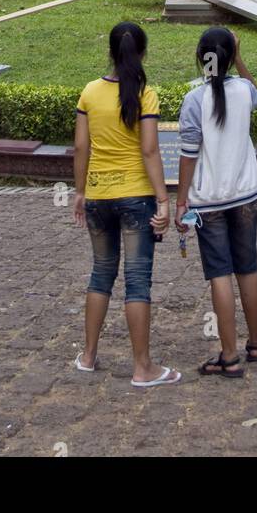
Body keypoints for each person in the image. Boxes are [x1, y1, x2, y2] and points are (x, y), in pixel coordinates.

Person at [73, 21, 180, 387]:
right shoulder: (145, 94)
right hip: (136, 197)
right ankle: (142, 367)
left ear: (110, 50)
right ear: (143, 51)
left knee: (101, 272)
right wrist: (163, 200)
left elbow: (81, 148)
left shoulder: (89, 92)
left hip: (98, 195)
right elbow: (149, 150)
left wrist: (79, 191)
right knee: (137, 280)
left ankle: (88, 356)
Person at [175, 27, 257, 378]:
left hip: (208, 201)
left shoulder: (194, 100)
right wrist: (239, 56)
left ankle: (229, 356)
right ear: (229, 57)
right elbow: (256, 92)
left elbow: (187, 156)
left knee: (220, 274)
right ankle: (256, 343)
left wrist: (180, 201)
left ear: (201, 58)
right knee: (248, 267)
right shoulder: (244, 91)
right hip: (245, 194)